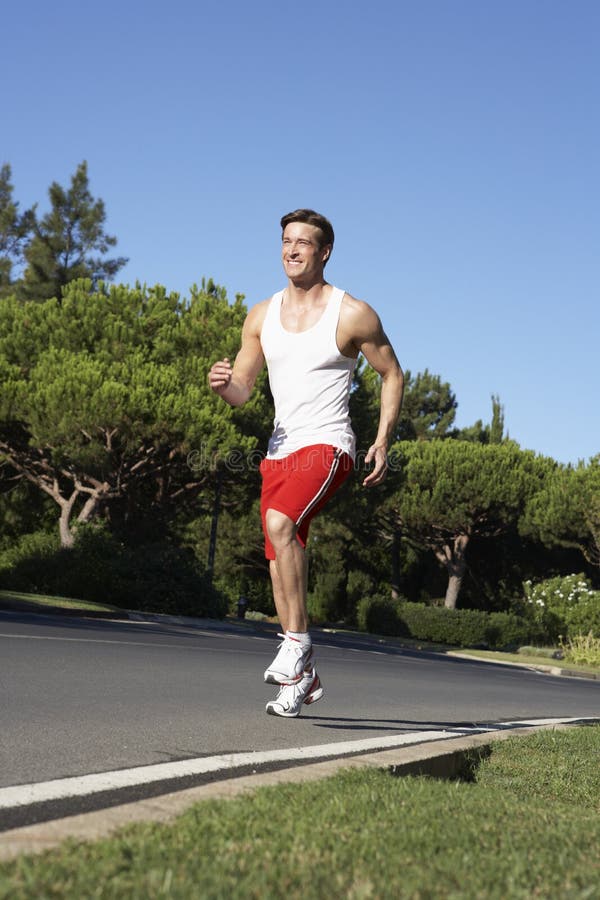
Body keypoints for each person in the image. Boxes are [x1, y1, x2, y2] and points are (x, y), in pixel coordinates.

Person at [208, 209, 404, 717]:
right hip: (279, 450)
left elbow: (392, 373)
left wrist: (382, 440)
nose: (291, 250)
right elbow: (243, 389)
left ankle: (296, 644)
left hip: (328, 443)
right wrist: (224, 385)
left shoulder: (351, 314)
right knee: (279, 558)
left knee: (280, 524)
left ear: (324, 252)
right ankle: (303, 677)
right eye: (286, 241)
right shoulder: (261, 315)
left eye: (303, 243)